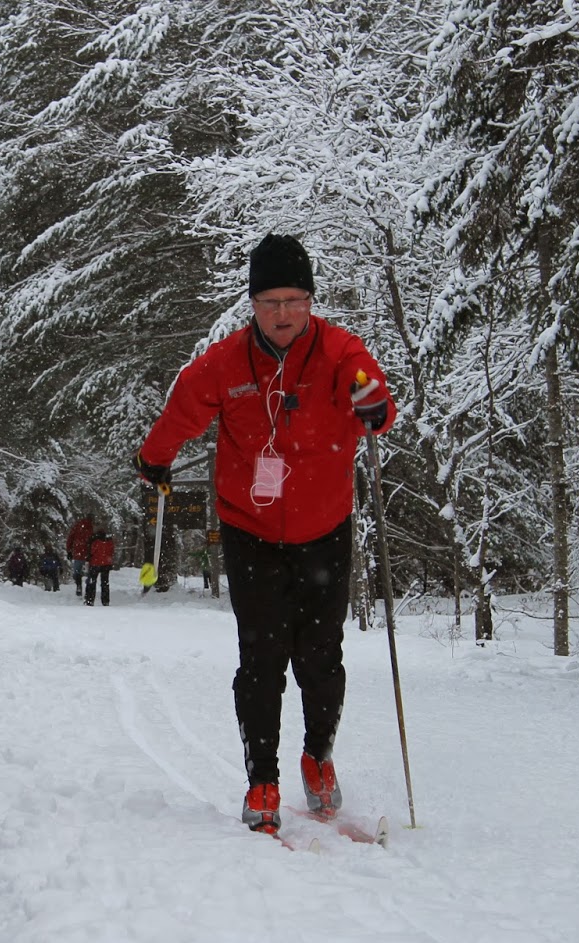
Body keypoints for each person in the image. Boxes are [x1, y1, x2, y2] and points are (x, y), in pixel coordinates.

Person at [134, 234, 395, 836]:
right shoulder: (227, 363)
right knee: (262, 659)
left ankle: (318, 758)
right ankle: (262, 779)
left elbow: (367, 381)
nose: (283, 313)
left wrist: (373, 401)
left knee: (321, 657)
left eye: (295, 300)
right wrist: (156, 457)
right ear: (253, 304)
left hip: (324, 528)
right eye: (271, 300)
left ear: (310, 302)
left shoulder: (337, 351)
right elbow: (183, 410)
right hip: (250, 529)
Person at [84, 528, 114, 606]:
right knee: (105, 583)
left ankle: (89, 600)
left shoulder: (95, 542)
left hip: (95, 564)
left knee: (92, 582)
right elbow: (111, 552)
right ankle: (105, 600)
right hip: (106, 565)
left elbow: (91, 552)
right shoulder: (109, 542)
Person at [66, 514, 94, 596]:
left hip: (78, 552)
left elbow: (70, 538)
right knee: (90, 573)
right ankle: (89, 588)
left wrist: (69, 550)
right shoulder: (92, 528)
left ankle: (78, 585)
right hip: (89, 554)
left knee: (77, 572)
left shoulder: (77, 526)